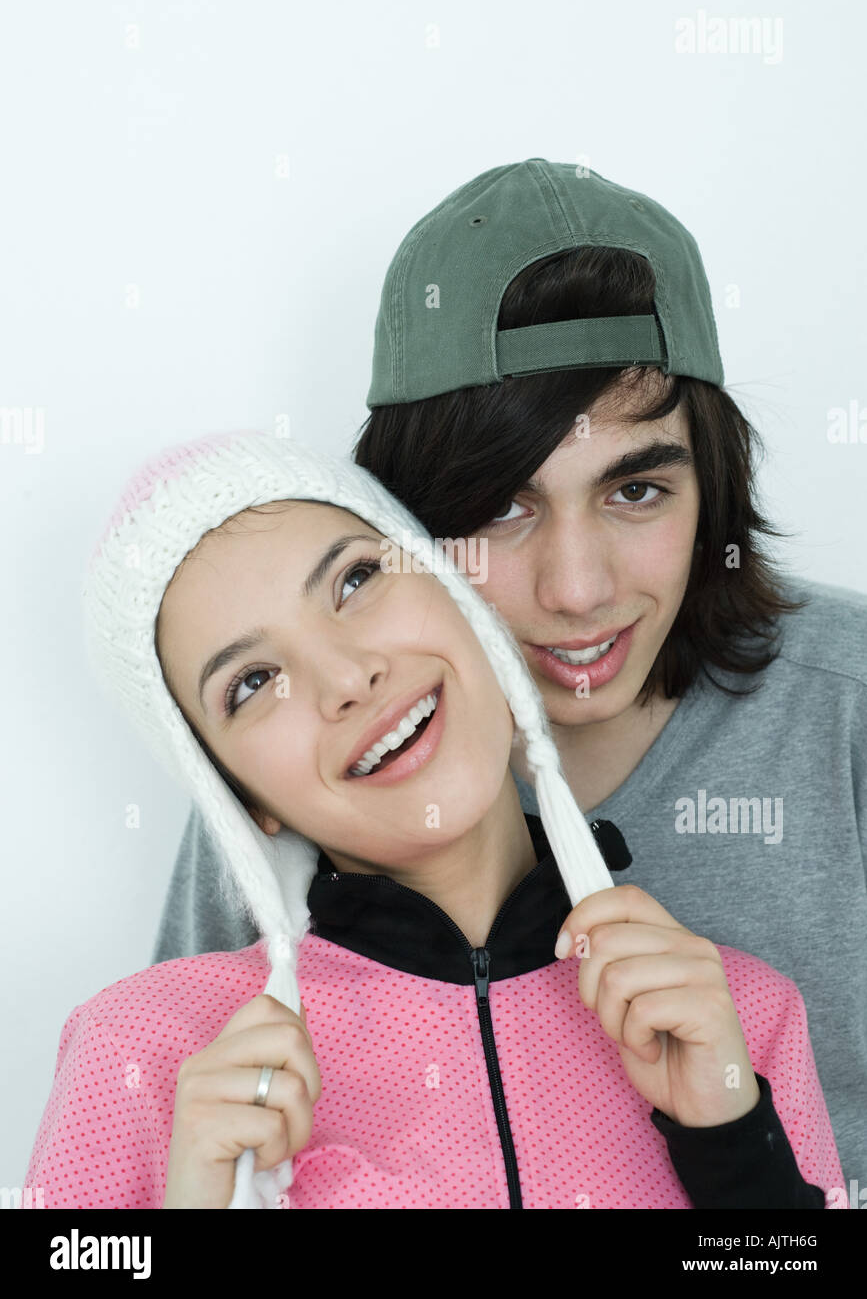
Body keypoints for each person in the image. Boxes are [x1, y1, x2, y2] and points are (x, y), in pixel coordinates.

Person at [153, 159, 867, 1195]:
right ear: (400, 525)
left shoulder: (848, 713)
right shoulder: (308, 760)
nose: (578, 589)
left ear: (714, 484)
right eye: (500, 507)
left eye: (636, 489)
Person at [25, 430, 845, 1209]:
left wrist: (736, 1147)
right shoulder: (143, 1053)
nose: (347, 677)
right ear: (243, 801)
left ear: (463, 603)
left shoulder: (732, 1013)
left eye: (354, 581)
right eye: (249, 681)